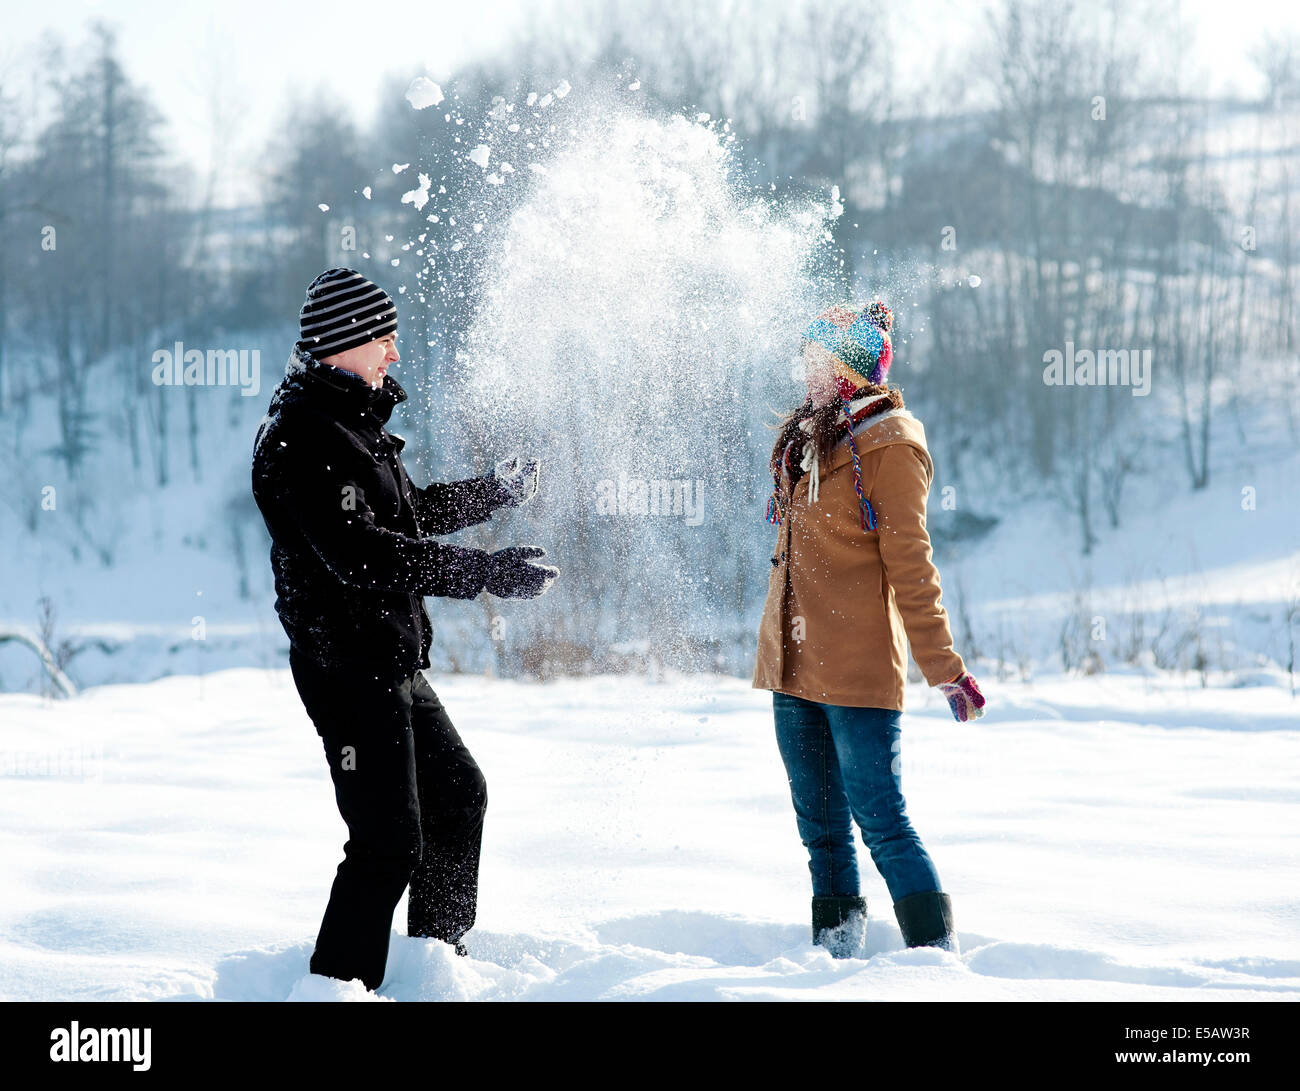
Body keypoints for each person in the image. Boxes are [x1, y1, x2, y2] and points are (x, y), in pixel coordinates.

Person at [251, 267, 559, 993]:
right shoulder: (303, 436)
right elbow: (362, 553)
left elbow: (407, 514)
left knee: (459, 796)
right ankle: (336, 988)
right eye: (384, 338)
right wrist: (484, 572)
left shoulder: (349, 423)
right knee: (386, 843)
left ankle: (433, 966)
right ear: (344, 340)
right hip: (345, 667)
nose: (394, 352)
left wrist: (492, 492)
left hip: (386, 658)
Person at [752, 299, 985, 959]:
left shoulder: (891, 446)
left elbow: (913, 569)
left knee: (882, 823)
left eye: (818, 362)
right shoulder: (811, 442)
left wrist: (945, 669)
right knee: (821, 833)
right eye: (804, 360)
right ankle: (833, 959)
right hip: (794, 669)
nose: (807, 374)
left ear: (850, 370)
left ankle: (935, 959)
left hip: (857, 672)